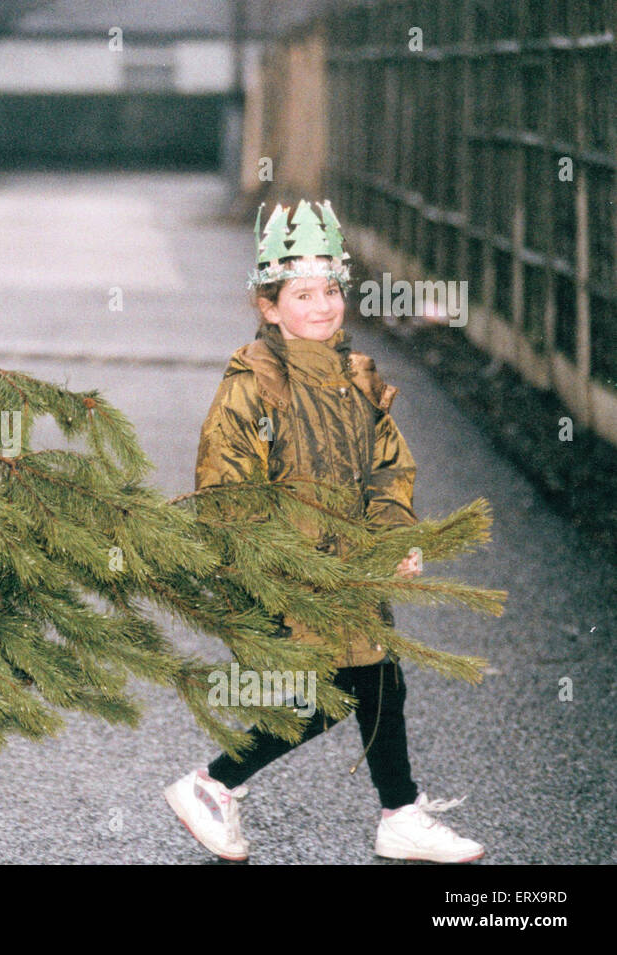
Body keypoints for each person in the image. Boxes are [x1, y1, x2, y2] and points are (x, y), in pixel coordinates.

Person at [162, 201, 483, 864]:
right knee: (345, 691)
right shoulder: (251, 390)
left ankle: (394, 811)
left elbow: (388, 468)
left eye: (332, 290)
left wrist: (395, 533)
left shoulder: (355, 379)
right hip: (295, 575)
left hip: (353, 571)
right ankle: (216, 782)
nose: (324, 306)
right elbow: (226, 490)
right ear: (269, 306)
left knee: (373, 683)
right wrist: (270, 562)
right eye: (303, 294)